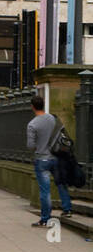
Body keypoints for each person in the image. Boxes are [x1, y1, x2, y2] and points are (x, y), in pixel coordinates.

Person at [26, 92, 73, 227]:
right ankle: (67, 208)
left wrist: (39, 145)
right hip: (56, 157)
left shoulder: (32, 124)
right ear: (43, 105)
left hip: (42, 159)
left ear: (32, 107)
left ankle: (45, 218)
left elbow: (30, 145)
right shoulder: (53, 119)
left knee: (45, 190)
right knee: (61, 183)